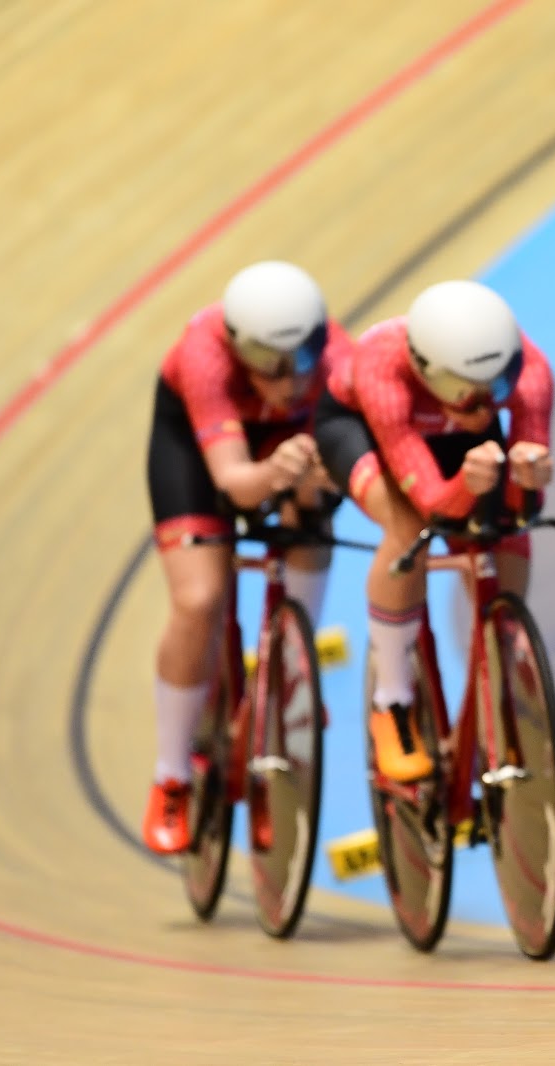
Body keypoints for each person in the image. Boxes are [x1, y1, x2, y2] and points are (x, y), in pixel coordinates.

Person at [143, 260, 351, 853]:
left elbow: (350, 469)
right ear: (239, 351)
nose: (290, 381)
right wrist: (272, 472)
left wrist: (314, 482)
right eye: (271, 368)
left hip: (290, 447)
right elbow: (234, 484)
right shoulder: (202, 356)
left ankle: (289, 676)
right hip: (207, 453)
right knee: (200, 598)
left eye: (302, 359)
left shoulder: (341, 359)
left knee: (309, 523)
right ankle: (171, 775)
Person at [314, 279, 553, 783]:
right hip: (363, 433)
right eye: (467, 393)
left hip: (456, 446)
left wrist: (528, 483)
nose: (486, 407)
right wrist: (469, 485)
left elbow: (524, 506)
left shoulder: (529, 372)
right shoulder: (382, 368)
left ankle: (488, 694)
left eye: (497, 389)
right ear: (428, 373)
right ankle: (392, 702)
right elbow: (432, 502)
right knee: (410, 531)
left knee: (506, 535)